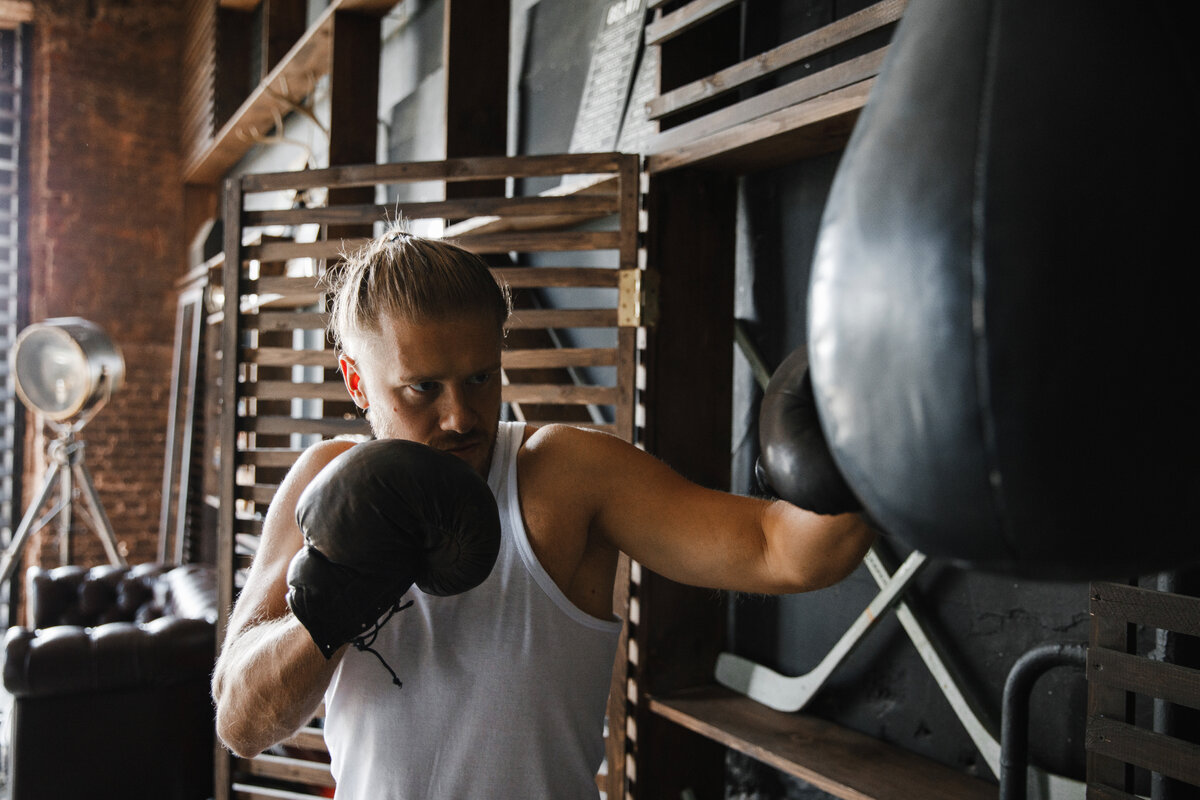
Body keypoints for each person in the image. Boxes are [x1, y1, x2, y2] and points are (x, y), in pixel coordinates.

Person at [211, 228, 875, 799]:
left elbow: (781, 548)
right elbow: (241, 723)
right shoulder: (321, 483)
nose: (461, 416)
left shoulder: (563, 476)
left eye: (480, 378)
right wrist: (325, 608)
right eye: (423, 388)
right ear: (356, 382)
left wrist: (860, 424)